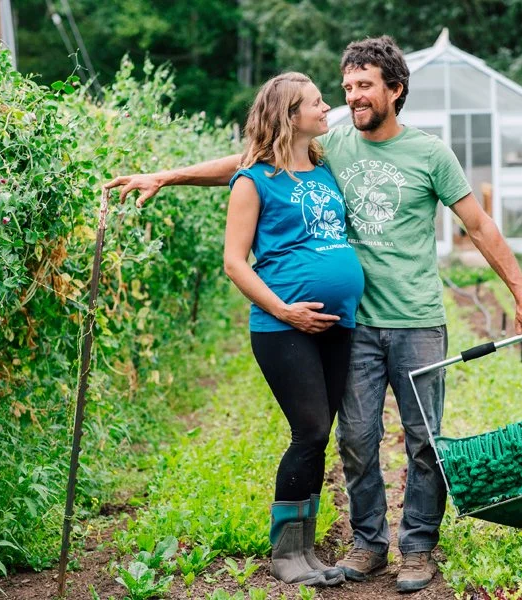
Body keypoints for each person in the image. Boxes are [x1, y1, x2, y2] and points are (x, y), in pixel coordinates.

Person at [106, 36, 522, 593]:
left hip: (417, 319)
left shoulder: (430, 153)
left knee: (423, 439)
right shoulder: (332, 145)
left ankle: (418, 548)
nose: (352, 96)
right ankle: (369, 545)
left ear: (395, 89)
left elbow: (479, 226)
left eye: (364, 85)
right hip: (354, 325)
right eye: (346, 87)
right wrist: (166, 176)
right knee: (357, 439)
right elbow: (249, 163)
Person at [131, 72, 363, 587]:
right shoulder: (253, 180)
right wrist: (286, 311)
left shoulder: (324, 167)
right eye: (316, 102)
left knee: (319, 437)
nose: (328, 107)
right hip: (284, 326)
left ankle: (307, 550)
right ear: (289, 116)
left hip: (336, 323)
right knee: (309, 431)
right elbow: (234, 263)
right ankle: (286, 554)